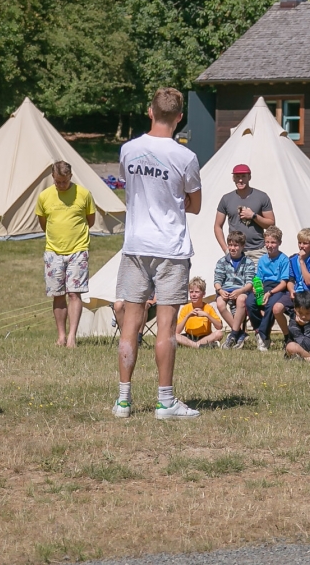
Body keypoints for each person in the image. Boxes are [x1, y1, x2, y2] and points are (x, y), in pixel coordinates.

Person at [114, 87, 203, 420]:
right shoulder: (186, 157)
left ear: (149, 111)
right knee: (165, 329)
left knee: (129, 327)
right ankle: (165, 401)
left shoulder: (128, 149)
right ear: (179, 118)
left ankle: (123, 400)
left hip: (136, 245)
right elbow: (194, 205)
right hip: (171, 247)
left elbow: (127, 185)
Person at [36, 161, 96, 349]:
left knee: (74, 294)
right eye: (57, 182)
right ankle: (61, 335)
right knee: (58, 294)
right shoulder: (44, 196)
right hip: (53, 251)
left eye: (64, 181)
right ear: (52, 178)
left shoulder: (84, 194)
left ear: (71, 176)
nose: (61, 185)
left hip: (78, 250)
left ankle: (72, 336)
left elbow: (90, 220)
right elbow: (43, 223)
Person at [213, 164, 274, 263]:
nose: (240, 180)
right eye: (237, 177)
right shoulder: (226, 199)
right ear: (233, 178)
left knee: (256, 279)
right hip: (235, 252)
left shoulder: (262, 197)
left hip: (257, 251)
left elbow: (271, 224)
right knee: (235, 279)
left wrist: (253, 216)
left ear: (249, 177)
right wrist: (226, 249)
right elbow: (217, 226)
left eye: (243, 176)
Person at [251, 226, 296, 351]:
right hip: (264, 286)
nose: (269, 245)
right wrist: (256, 287)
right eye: (267, 242)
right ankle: (258, 331)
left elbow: (283, 282)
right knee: (249, 302)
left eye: (273, 242)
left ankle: (263, 335)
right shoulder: (262, 260)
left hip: (277, 288)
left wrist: (270, 293)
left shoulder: (283, 259)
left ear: (279, 243)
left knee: (271, 304)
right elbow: (258, 278)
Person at [213, 231, 256, 349]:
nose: (232, 248)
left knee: (241, 299)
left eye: (236, 245)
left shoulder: (248, 262)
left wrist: (240, 291)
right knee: (220, 303)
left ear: (242, 246)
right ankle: (240, 334)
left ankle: (233, 335)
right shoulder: (222, 261)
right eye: (230, 245)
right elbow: (217, 280)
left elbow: (250, 283)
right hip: (225, 290)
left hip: (242, 291)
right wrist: (220, 290)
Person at [176, 278, 226, 349]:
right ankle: (199, 346)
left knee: (219, 334)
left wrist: (206, 315)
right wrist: (188, 316)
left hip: (205, 337)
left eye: (196, 292)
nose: (193, 295)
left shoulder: (208, 307)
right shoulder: (185, 308)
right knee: (173, 335)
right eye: (191, 292)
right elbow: (177, 331)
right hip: (189, 336)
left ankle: (193, 345)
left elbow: (219, 327)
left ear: (203, 294)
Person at [289, 228, 310, 302]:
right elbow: (291, 279)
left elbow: (308, 281)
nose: (301, 246)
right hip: (297, 291)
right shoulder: (292, 259)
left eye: (305, 243)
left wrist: (301, 261)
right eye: (299, 242)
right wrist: (291, 290)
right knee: (277, 307)